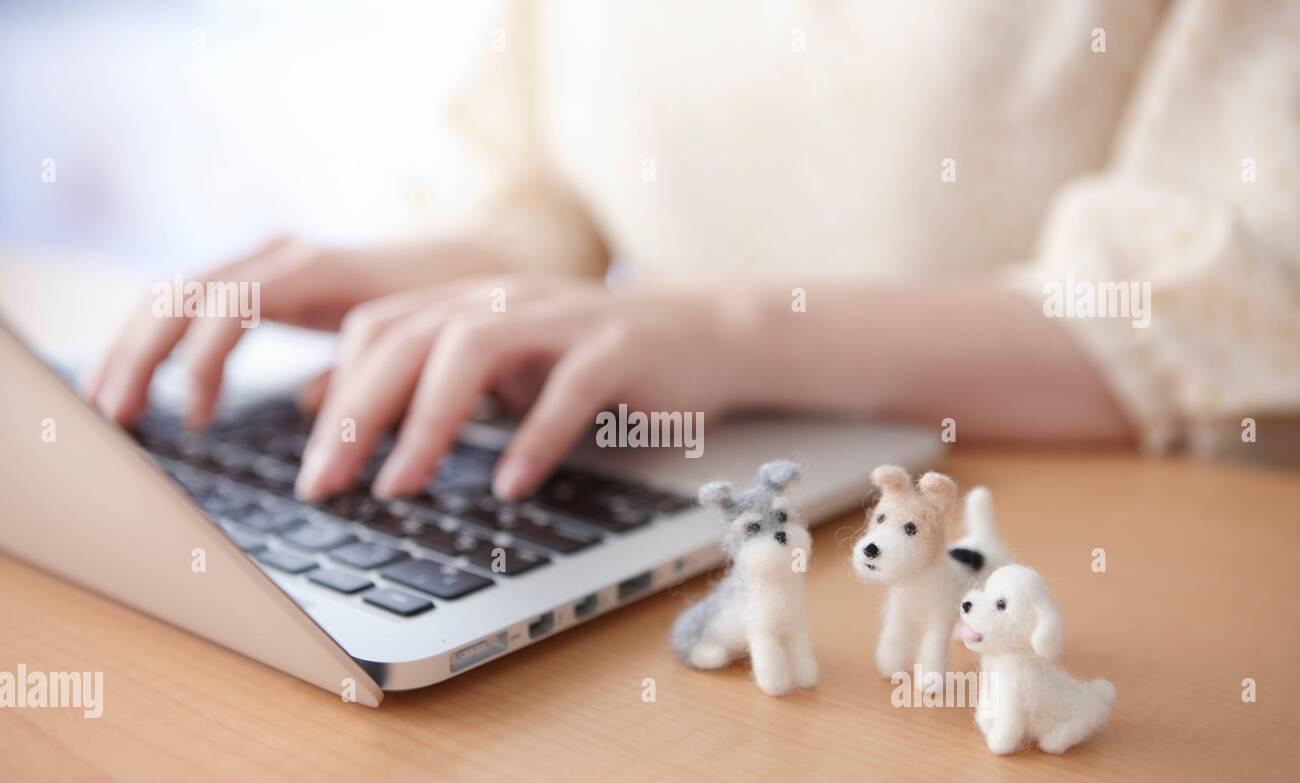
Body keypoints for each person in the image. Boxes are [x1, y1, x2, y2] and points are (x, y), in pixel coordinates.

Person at [87, 0, 1300, 502]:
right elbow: (542, 180)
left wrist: (726, 335)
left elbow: (1225, 298)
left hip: (1035, 523)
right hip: (673, 488)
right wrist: (462, 262)